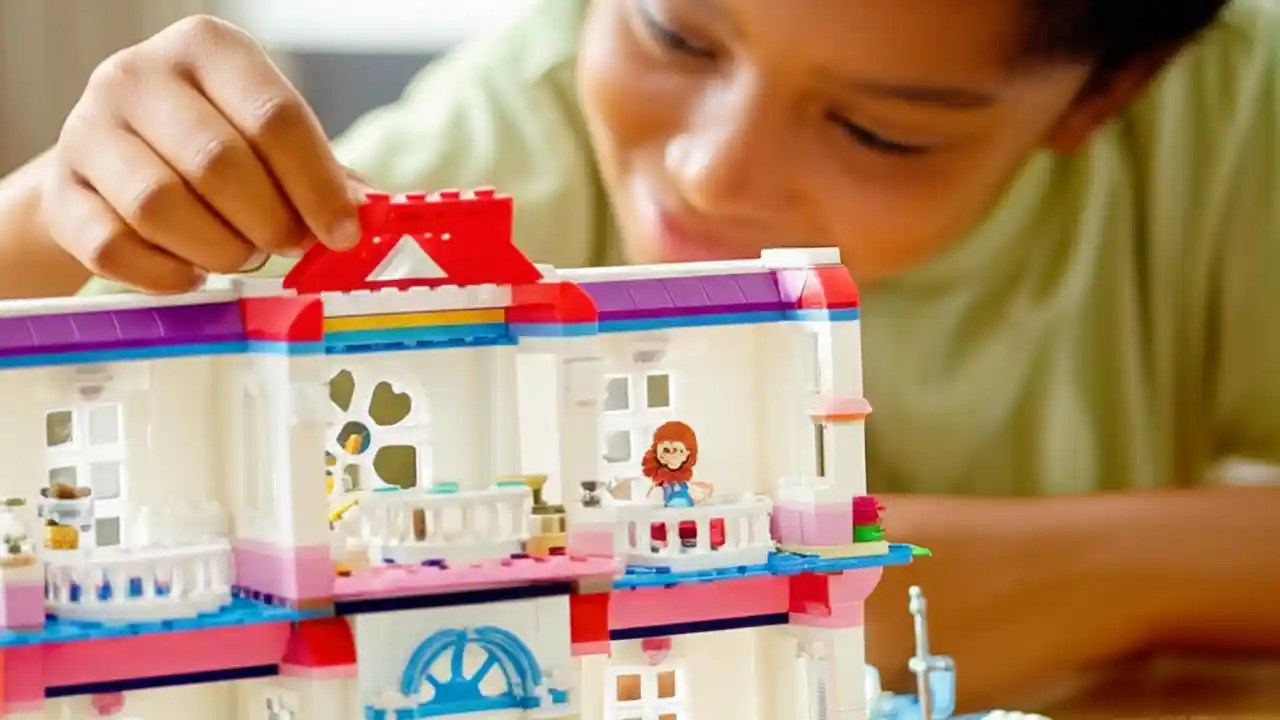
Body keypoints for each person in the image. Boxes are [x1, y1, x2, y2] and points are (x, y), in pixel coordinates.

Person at [1, 0, 1279, 709]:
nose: (709, 173)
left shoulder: (1230, 138)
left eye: (880, 131)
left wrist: (1049, 575)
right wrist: (60, 196)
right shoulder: (510, 127)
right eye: (674, 35)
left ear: (1102, 99)